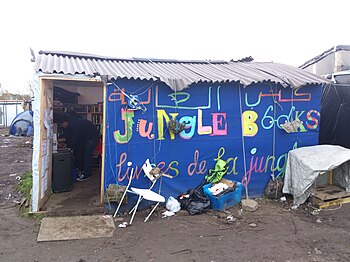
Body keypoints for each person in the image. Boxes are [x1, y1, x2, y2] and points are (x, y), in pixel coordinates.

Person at [59, 114, 100, 181]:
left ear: (65, 122)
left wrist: (68, 146)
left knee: (87, 154)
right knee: (84, 153)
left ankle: (87, 174)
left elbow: (74, 138)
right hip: (88, 136)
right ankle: (84, 170)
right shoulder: (72, 122)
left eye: (62, 125)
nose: (62, 126)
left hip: (92, 136)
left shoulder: (73, 125)